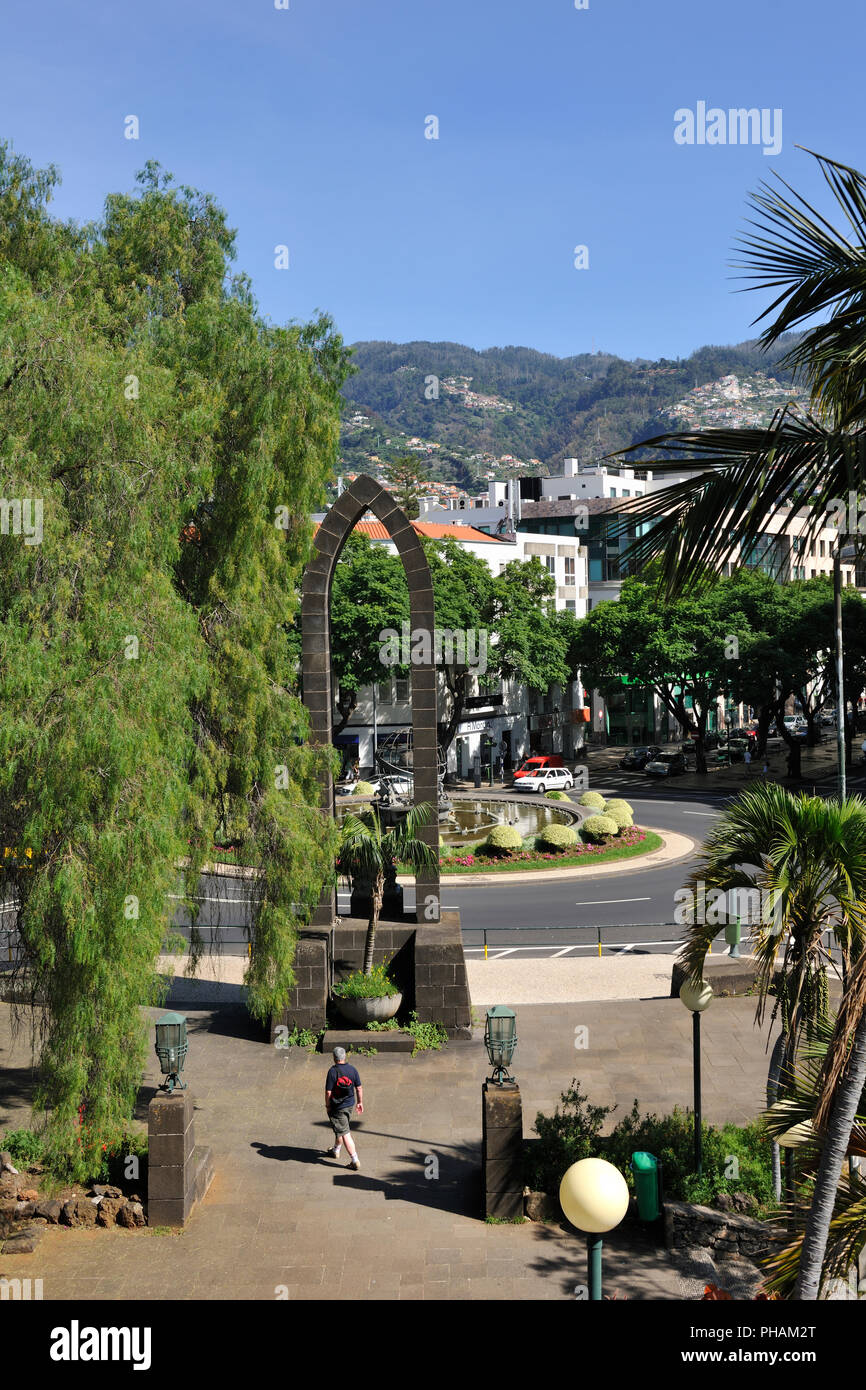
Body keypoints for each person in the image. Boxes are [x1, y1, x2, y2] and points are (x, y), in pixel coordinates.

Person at [324, 1046, 363, 1170]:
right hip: (349, 1104)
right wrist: (360, 1102)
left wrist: (328, 1105)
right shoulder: (353, 1070)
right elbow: (359, 1088)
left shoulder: (332, 1071)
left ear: (334, 1058)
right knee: (341, 1127)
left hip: (337, 1107)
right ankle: (336, 1150)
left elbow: (328, 1092)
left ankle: (355, 1160)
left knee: (345, 1133)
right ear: (345, 1056)